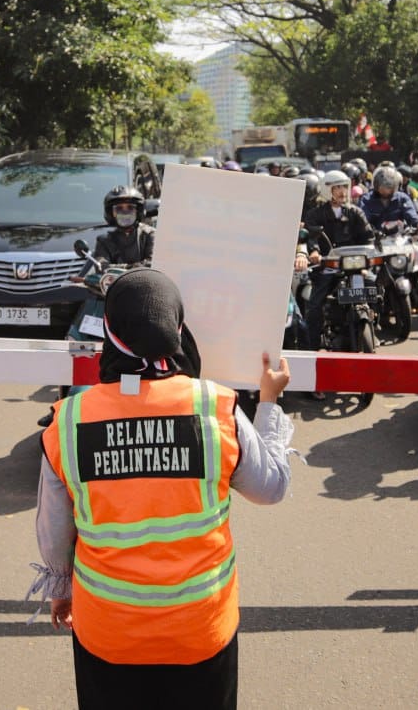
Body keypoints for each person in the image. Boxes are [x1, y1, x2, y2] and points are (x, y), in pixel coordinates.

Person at [29, 268, 293, 709]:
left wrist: (61, 588)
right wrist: (268, 404)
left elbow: (55, 530)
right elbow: (271, 488)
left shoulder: (69, 420)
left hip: (108, 631)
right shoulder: (215, 406)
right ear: (176, 327)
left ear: (110, 331)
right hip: (200, 629)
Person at [299, 170, 375, 349]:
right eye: (337, 187)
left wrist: (370, 253)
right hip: (327, 266)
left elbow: (368, 236)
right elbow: (312, 237)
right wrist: (315, 252)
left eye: (344, 187)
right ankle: (312, 346)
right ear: (327, 190)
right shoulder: (315, 214)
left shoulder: (355, 212)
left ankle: (373, 322)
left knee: (374, 285)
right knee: (315, 304)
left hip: (354, 266)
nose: (342, 192)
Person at [93, 185, 154, 268]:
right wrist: (131, 267)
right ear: (111, 213)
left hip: (146, 280)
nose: (125, 212)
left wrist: (118, 268)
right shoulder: (103, 240)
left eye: (130, 207)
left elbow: (152, 263)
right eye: (119, 208)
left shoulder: (150, 234)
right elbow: (101, 266)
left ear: (138, 211)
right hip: (115, 281)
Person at [359, 165, 418, 233]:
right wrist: (376, 230)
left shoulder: (402, 198)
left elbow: (410, 214)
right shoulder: (366, 199)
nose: (387, 191)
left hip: (399, 239)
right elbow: (363, 222)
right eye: (384, 187)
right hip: (374, 238)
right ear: (377, 185)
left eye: (390, 187)